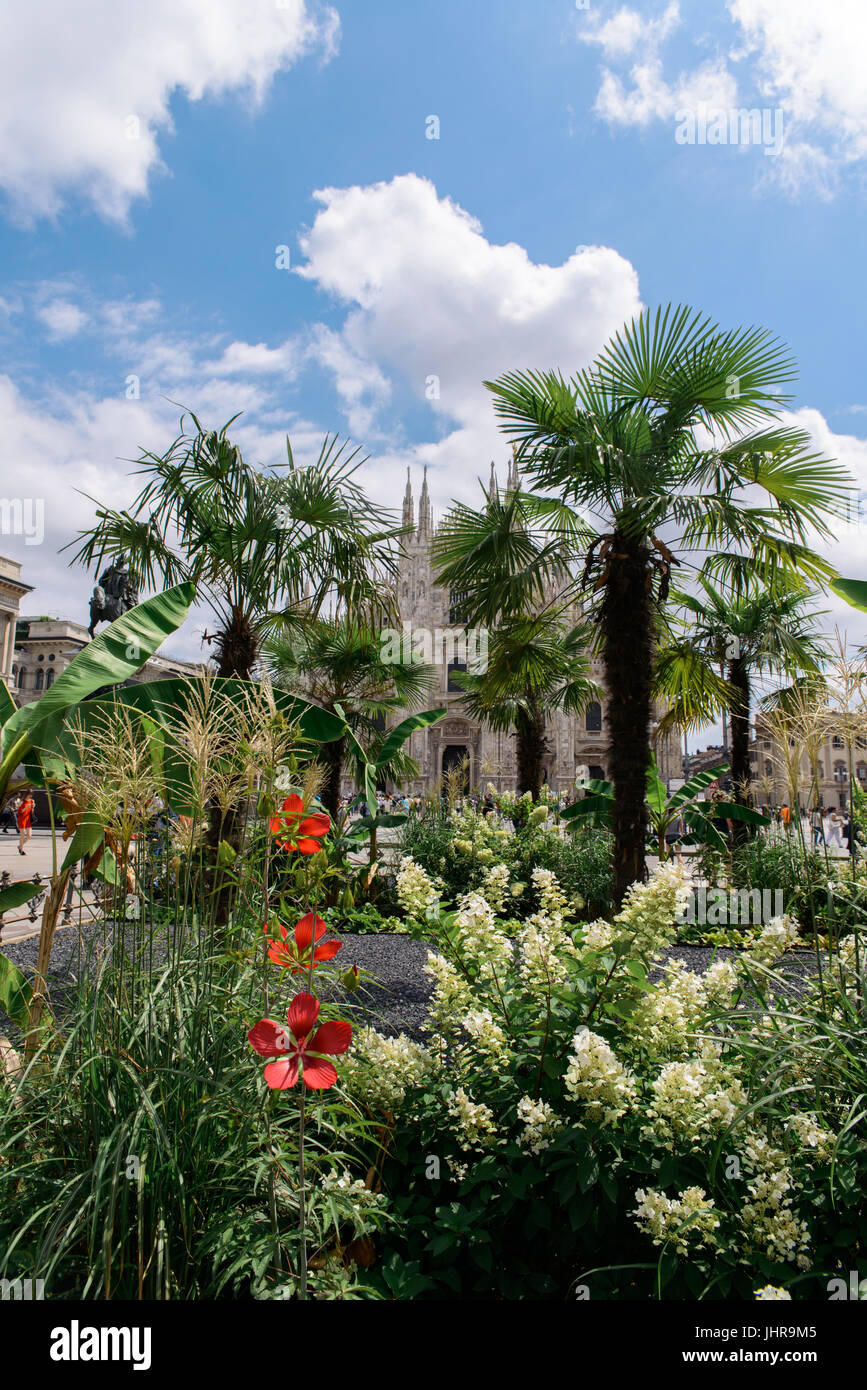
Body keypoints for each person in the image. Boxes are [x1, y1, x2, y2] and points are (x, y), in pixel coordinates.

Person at [17, 791, 35, 855]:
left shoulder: (32, 801)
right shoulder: (22, 801)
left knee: (29, 835)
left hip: (28, 819)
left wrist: (33, 807)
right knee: (22, 834)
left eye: (31, 795)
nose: (30, 796)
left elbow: (32, 812)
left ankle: (20, 846)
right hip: (22, 819)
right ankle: (21, 850)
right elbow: (19, 812)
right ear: (26, 794)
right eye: (29, 795)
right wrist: (26, 807)